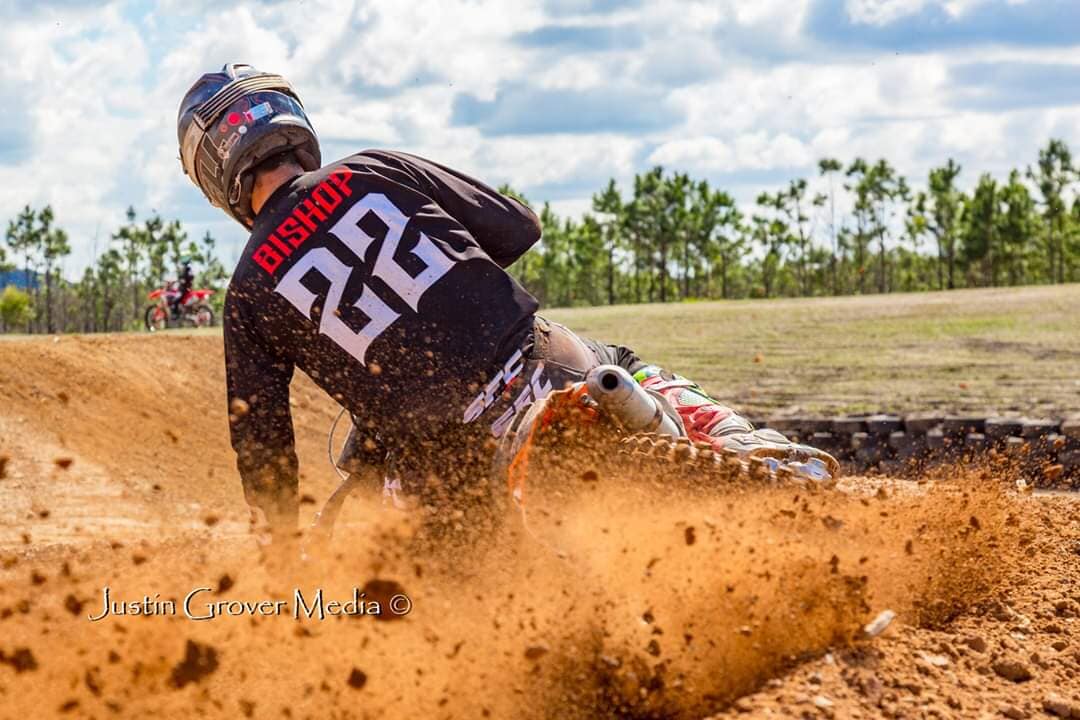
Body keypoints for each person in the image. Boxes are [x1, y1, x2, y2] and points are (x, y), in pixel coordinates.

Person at [177, 64, 836, 545]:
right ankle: (752, 449)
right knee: (626, 367)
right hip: (547, 370)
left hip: (446, 472)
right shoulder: (372, 169)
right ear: (289, 120)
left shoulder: (248, 294)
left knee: (408, 576)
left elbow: (263, 448)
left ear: (214, 171)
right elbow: (518, 229)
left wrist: (280, 557)